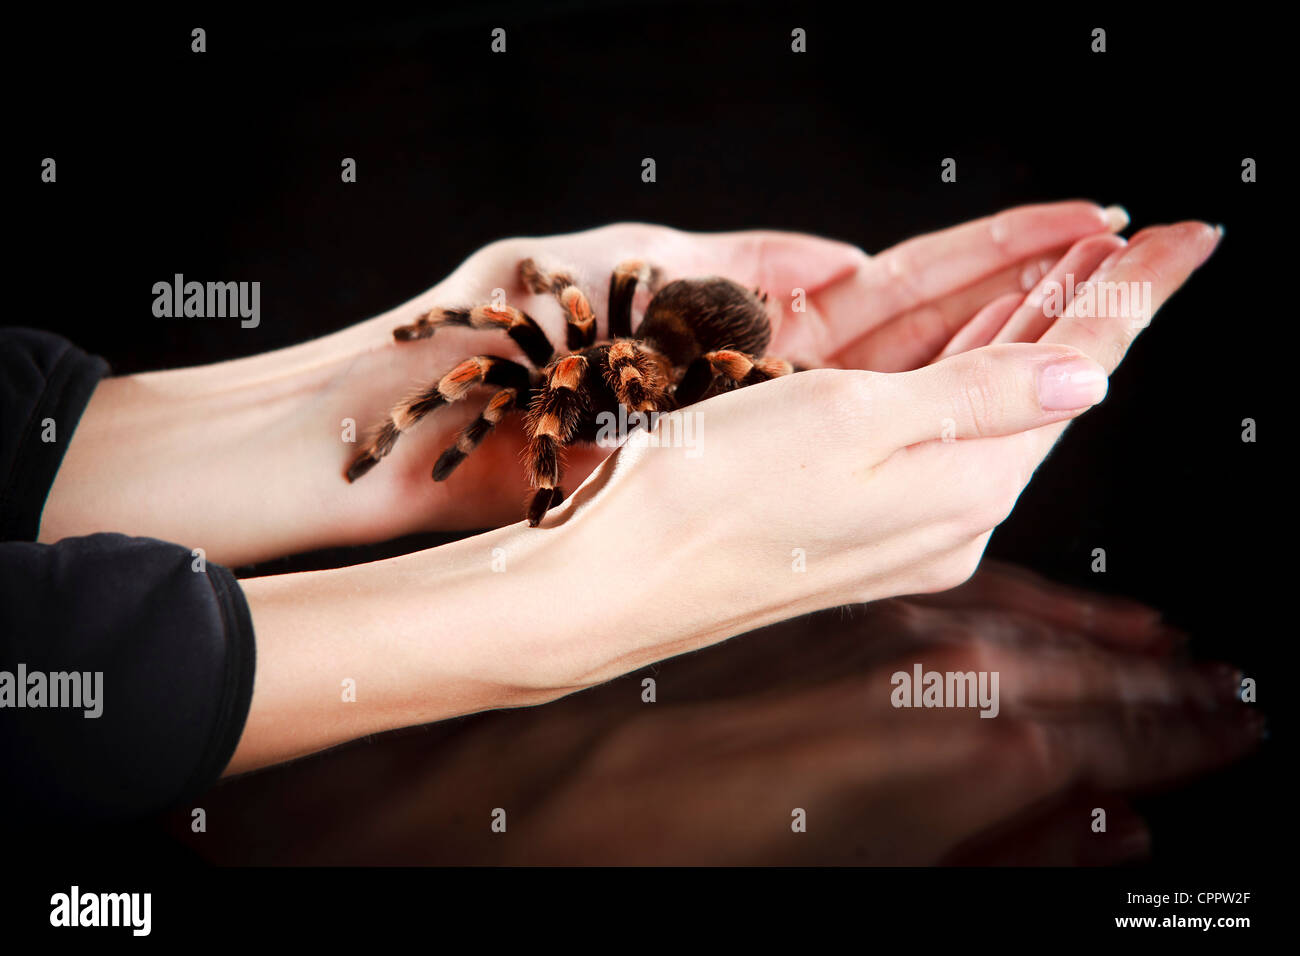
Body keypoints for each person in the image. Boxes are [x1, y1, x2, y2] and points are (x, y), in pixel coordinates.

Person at [1, 203, 1222, 820]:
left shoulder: (709, 362)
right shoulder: (566, 355)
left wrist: (797, 394)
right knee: (471, 374)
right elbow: (482, 354)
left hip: (699, 340)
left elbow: (763, 379)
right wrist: (553, 571)